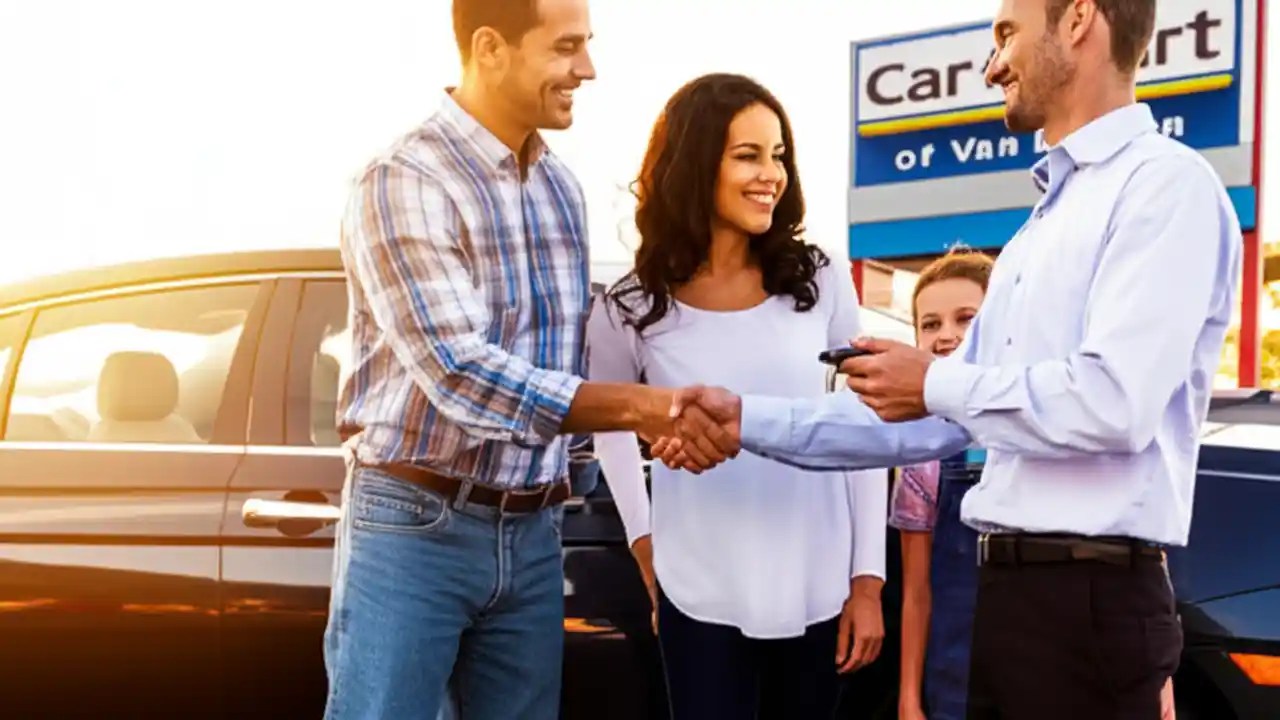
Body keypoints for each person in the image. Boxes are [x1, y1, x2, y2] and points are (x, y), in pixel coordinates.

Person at [654, 1, 1241, 718]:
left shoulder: (1164, 186)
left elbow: (1114, 403)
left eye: (1006, 34)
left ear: (1080, 18)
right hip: (1010, 604)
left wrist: (935, 381)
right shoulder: (1036, 233)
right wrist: (744, 419)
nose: (994, 64)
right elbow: (926, 425)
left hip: (1092, 604)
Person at [323, 1, 733, 718]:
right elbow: (459, 370)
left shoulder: (559, 190)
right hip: (414, 527)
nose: (588, 68)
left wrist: (669, 418)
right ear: (490, 48)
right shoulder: (403, 180)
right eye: (566, 47)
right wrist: (641, 408)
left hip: (536, 529)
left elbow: (570, 361)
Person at [585, 72, 888, 720]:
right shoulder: (631, 306)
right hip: (698, 587)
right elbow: (607, 425)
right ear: (696, 165)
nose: (770, 174)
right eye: (748, 154)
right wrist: (643, 543)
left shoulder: (820, 277)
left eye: (778, 155)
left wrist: (868, 578)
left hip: (819, 584)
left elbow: (861, 423)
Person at [889, 249, 992, 720]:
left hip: (1044, 673)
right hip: (953, 683)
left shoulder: (1041, 427)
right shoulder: (919, 451)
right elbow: (917, 591)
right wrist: (910, 697)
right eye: (930, 324)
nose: (946, 334)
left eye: (965, 318)